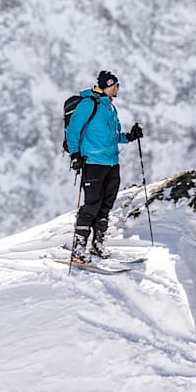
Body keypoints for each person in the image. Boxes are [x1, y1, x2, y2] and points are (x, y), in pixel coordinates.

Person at [65, 70, 143, 262]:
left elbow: (113, 137)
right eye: (116, 85)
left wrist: (129, 136)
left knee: (106, 205)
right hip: (93, 163)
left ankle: (98, 244)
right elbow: (73, 130)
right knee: (92, 204)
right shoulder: (88, 104)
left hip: (112, 163)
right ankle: (79, 247)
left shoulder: (110, 108)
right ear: (109, 85)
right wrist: (75, 155)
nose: (118, 88)